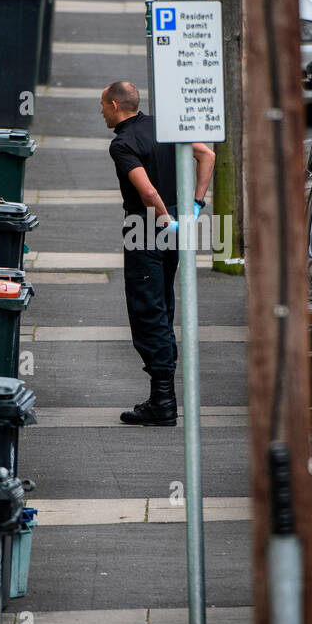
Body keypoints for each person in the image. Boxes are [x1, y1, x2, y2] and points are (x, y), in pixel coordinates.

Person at [102, 80, 215, 425]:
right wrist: (195, 207)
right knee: (163, 305)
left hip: (147, 231)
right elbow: (208, 153)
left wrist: (165, 221)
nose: (102, 112)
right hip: (175, 228)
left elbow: (148, 193)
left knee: (147, 311)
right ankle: (161, 398)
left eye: (103, 106)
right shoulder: (165, 127)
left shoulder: (122, 144)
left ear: (115, 106)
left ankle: (163, 403)